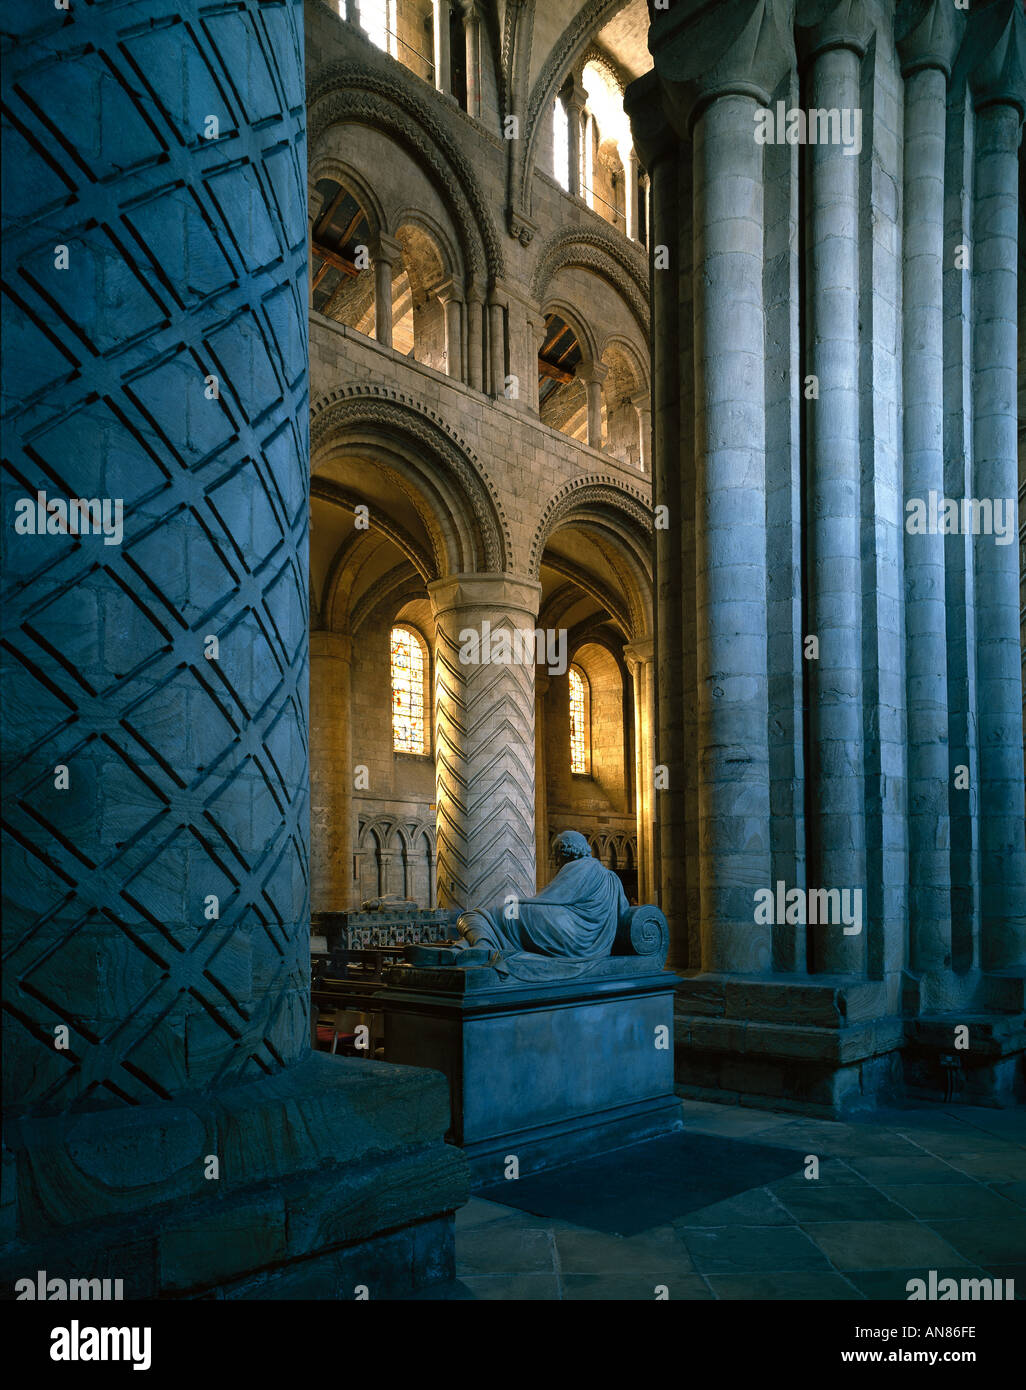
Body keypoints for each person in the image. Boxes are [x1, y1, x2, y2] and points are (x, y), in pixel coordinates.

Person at [454, 829, 629, 959]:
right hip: (588, 940)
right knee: (502, 917)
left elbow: (547, 900)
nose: (557, 861)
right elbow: (624, 913)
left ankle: (482, 943)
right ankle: (472, 945)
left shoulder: (576, 867)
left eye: (556, 856)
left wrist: (514, 903)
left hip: (571, 936)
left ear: (565, 851)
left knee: (483, 914)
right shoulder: (611, 876)